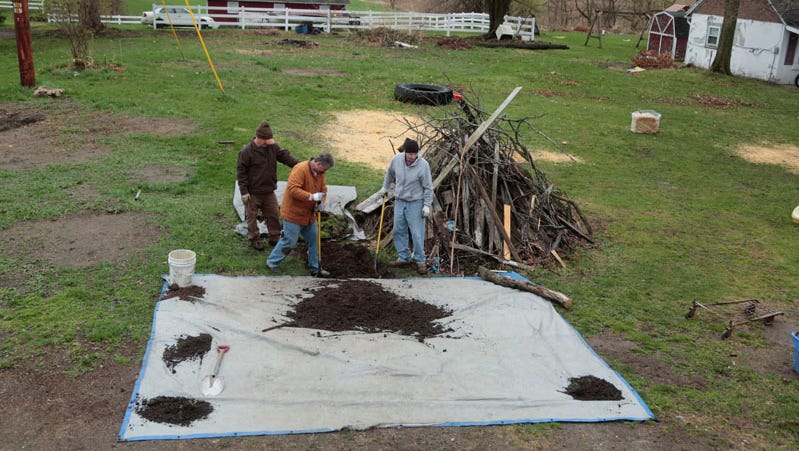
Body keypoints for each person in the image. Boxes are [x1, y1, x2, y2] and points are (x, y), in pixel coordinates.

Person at [236, 120, 301, 251]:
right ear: (259, 138)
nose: (268, 143)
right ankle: (255, 238)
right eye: (266, 141)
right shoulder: (246, 152)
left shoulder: (272, 147)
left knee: (273, 214)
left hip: (268, 191)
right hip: (253, 192)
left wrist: (301, 165)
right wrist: (244, 191)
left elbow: (285, 157)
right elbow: (241, 173)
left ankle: (275, 237)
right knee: (251, 217)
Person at [267, 153, 335, 277]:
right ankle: (272, 262)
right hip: (293, 214)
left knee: (314, 240)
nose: (325, 172)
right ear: (318, 164)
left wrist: (321, 202)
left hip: (309, 215)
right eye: (324, 169)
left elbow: (323, 189)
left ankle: (315, 268)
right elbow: (293, 189)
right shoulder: (300, 169)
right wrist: (311, 196)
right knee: (290, 241)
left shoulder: (320, 173)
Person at [378, 138, 433, 275]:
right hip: (400, 200)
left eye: (415, 154)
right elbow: (389, 173)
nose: (412, 157)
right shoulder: (397, 160)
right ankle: (404, 257)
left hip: (415, 202)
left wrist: (427, 205)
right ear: (405, 153)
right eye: (410, 154)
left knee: (417, 233)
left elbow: (428, 187)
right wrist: (385, 187)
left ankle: (420, 260)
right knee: (398, 230)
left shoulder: (423, 165)